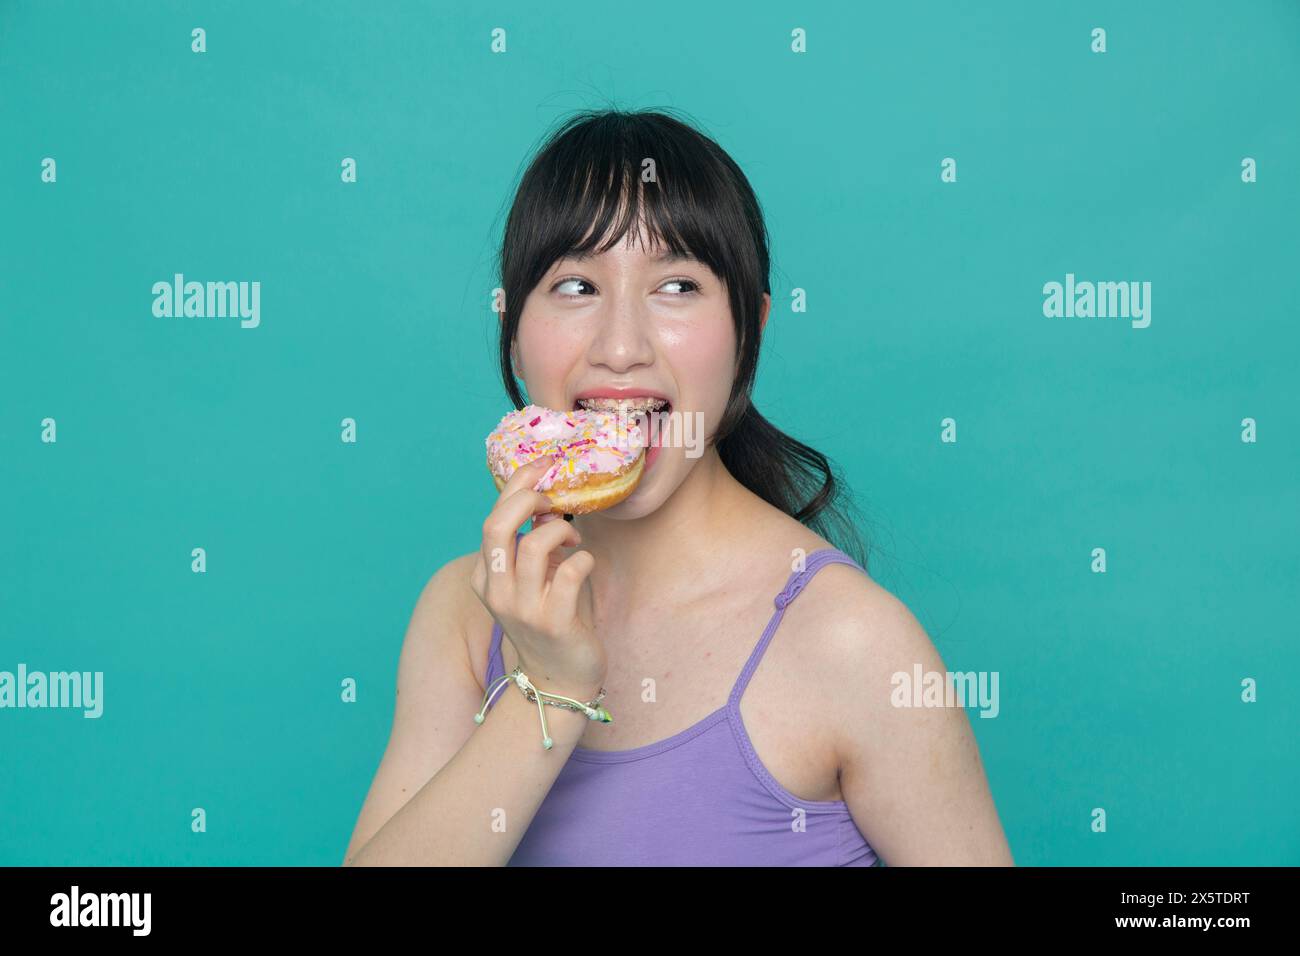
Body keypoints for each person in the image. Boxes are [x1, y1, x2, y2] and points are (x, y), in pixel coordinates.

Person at [343, 108, 1014, 866]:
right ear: (513, 334)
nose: (621, 347)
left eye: (677, 285)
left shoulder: (853, 645)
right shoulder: (465, 617)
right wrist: (550, 690)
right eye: (574, 284)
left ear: (750, 332)